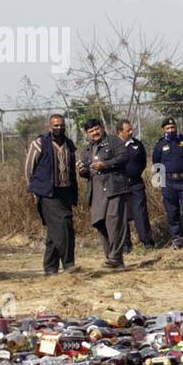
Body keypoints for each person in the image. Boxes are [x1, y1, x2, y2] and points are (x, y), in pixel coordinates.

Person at [24, 114, 78, 275]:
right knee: (63, 224)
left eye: (61, 125)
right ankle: (68, 263)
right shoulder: (39, 144)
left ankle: (50, 267)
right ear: (49, 127)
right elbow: (28, 169)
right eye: (55, 126)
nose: (59, 128)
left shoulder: (69, 144)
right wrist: (32, 190)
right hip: (47, 193)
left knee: (55, 230)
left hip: (65, 192)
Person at [77, 118, 130, 268]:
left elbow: (124, 157)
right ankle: (111, 258)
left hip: (114, 189)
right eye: (91, 131)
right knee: (100, 224)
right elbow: (87, 172)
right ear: (87, 134)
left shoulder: (113, 141)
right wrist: (82, 171)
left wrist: (105, 165)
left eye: (96, 129)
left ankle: (115, 257)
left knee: (114, 224)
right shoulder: (86, 150)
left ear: (102, 128)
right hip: (96, 192)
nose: (95, 132)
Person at [151, 117, 183, 249]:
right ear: (163, 130)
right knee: (172, 211)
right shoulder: (160, 144)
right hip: (168, 182)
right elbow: (156, 163)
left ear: (176, 127)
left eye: (172, 127)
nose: (170, 130)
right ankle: (177, 239)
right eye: (167, 128)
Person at [116, 119, 155, 253]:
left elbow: (143, 162)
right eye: (128, 130)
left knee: (140, 213)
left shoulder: (137, 145)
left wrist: (135, 172)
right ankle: (126, 245)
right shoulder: (113, 146)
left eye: (131, 129)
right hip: (119, 186)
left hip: (136, 184)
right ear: (120, 132)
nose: (131, 132)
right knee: (121, 215)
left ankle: (147, 242)